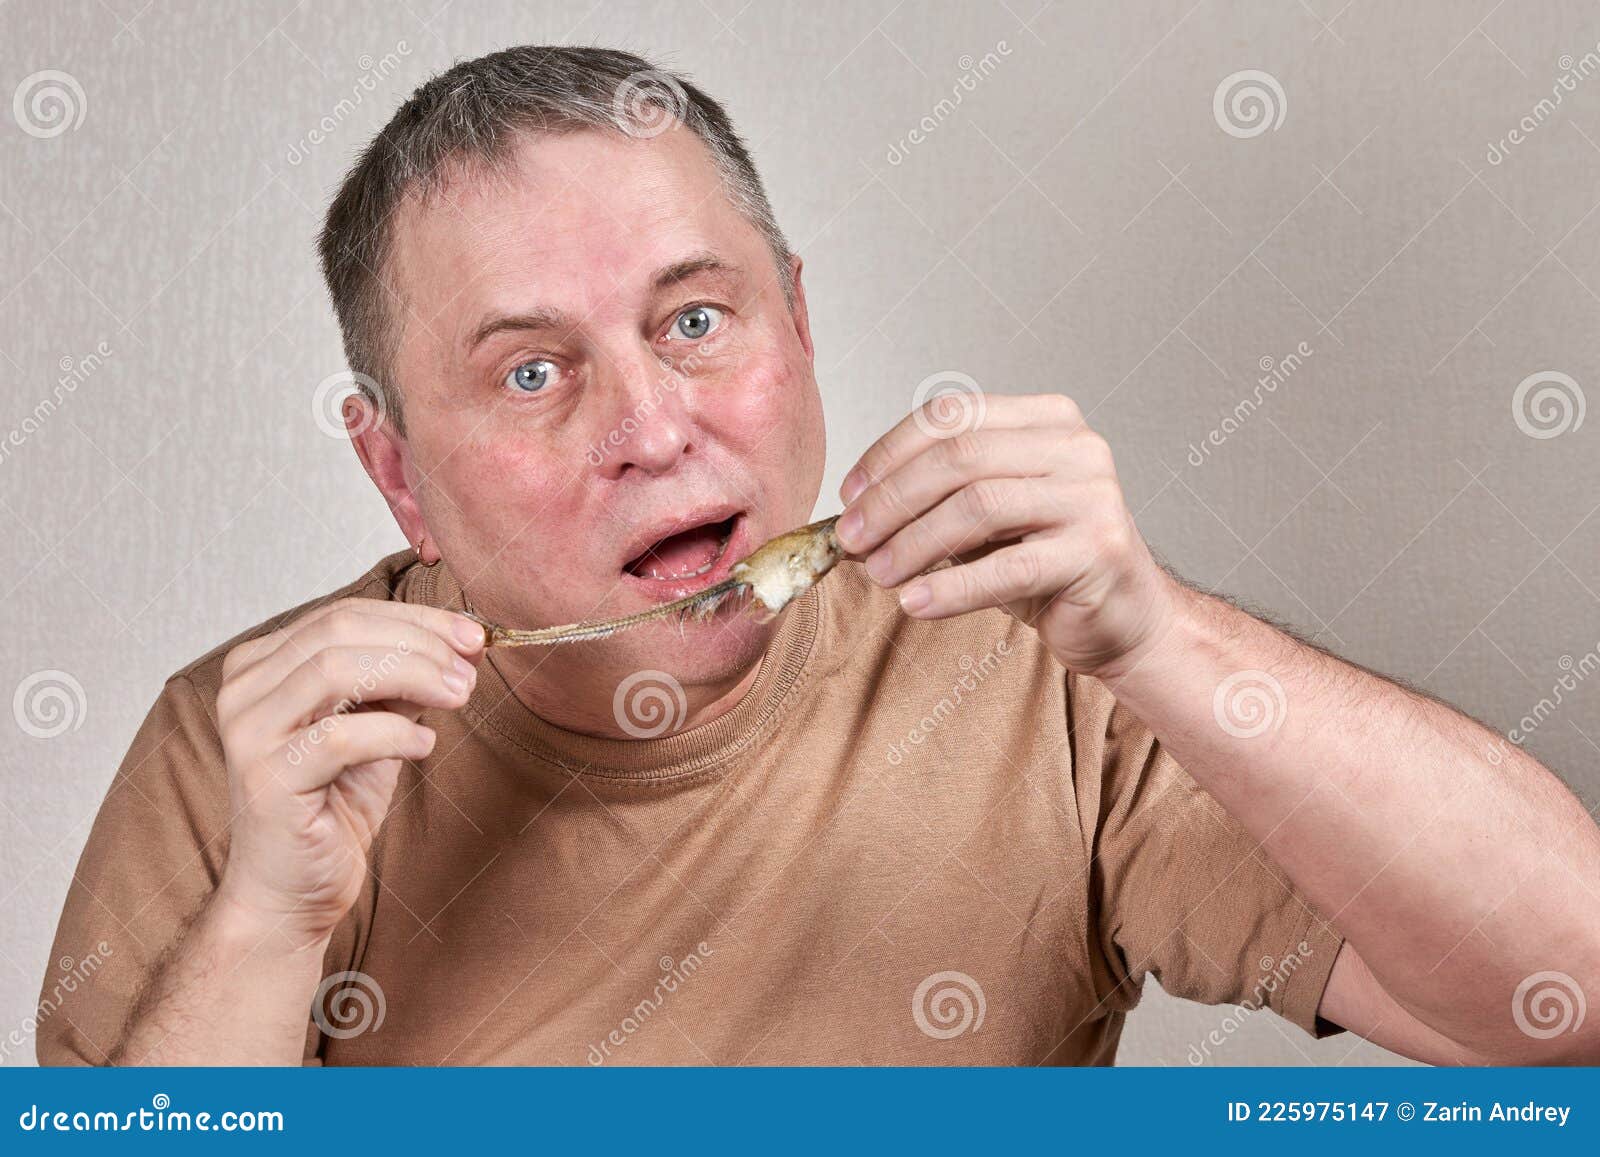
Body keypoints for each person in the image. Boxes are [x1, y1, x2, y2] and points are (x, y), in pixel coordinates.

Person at [39, 45, 1599, 1066]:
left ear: (799, 320)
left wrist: (1165, 642)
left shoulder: (1041, 666)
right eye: (531, 371)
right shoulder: (266, 752)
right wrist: (268, 912)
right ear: (400, 479)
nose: (651, 428)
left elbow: (1565, 1005)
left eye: (696, 321)